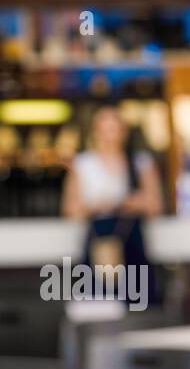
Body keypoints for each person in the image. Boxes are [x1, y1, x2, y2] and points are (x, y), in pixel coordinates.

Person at [62, 105, 163, 305]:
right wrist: (98, 206)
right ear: (95, 132)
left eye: (115, 128)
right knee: (99, 301)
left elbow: (155, 204)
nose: (110, 135)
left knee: (137, 302)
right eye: (105, 129)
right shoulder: (83, 164)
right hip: (100, 239)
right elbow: (70, 209)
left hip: (130, 237)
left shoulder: (139, 162)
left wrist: (130, 203)